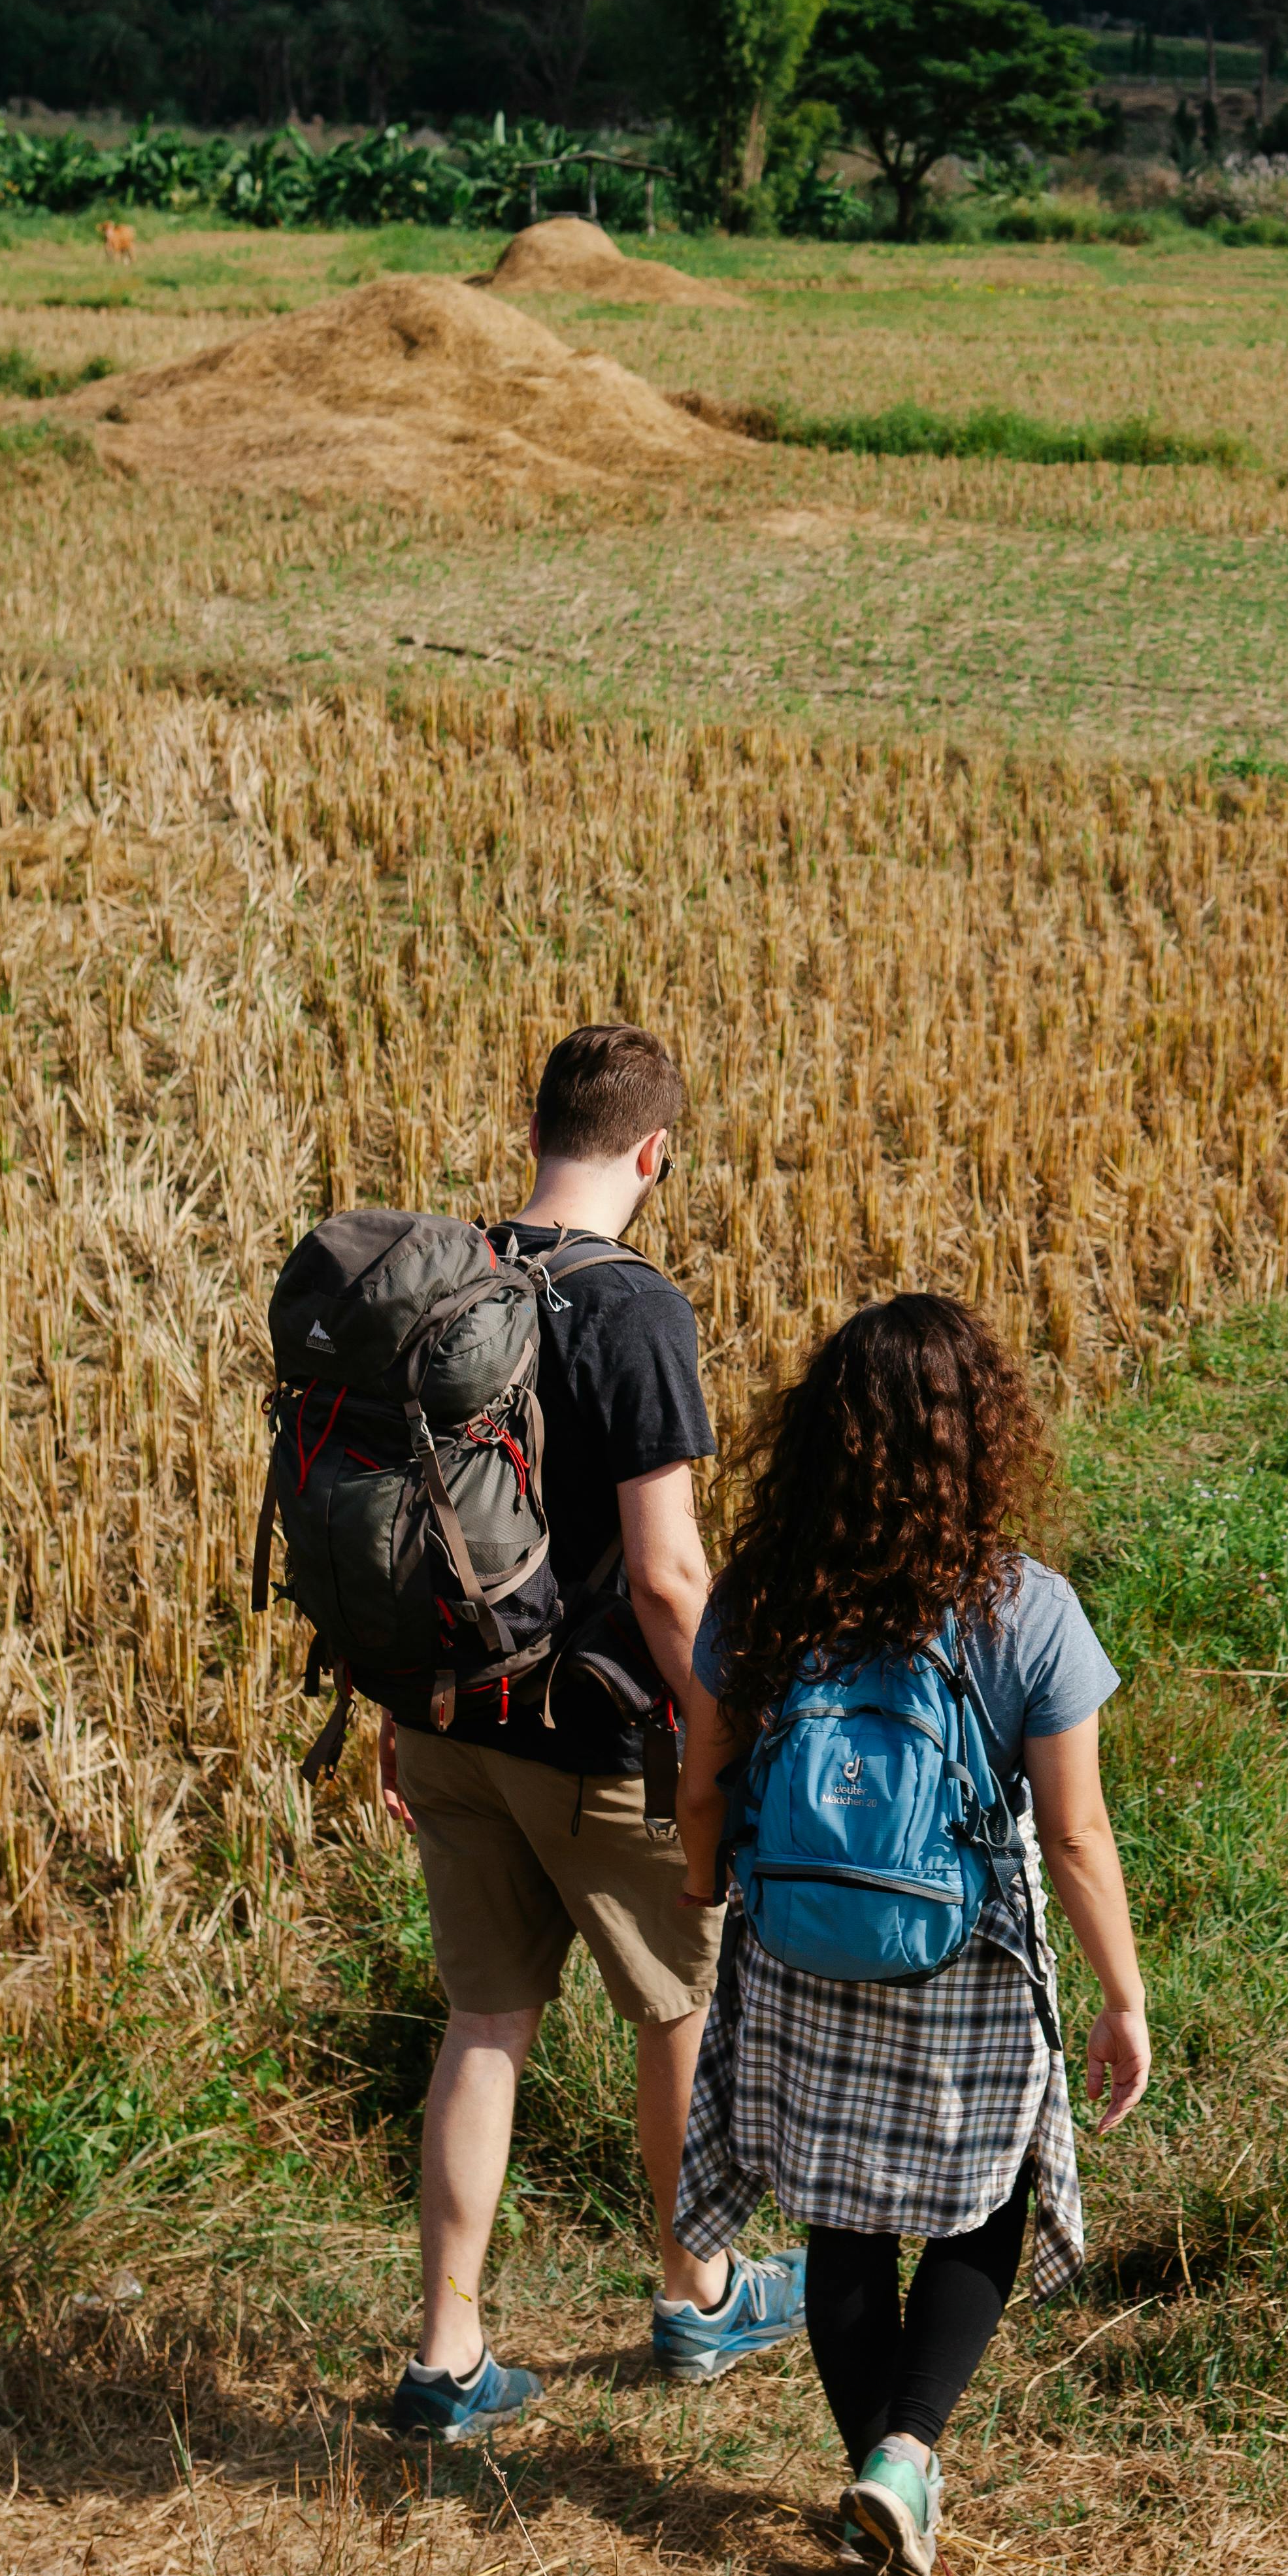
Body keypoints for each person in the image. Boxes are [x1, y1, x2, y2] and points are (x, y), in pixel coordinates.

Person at [674, 1293, 1151, 2576]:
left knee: (841, 2217)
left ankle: (882, 2473)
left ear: (822, 1435)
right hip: (964, 1958)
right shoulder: (1025, 1609)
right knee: (976, 2201)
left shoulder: (763, 1594)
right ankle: (903, 2453)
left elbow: (705, 1782)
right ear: (982, 1439)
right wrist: (1123, 1997)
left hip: (795, 1949)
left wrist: (708, 1888)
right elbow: (1077, 1835)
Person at [378, 1020, 806, 2441]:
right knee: (676, 2009)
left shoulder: (453, 1283)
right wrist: (726, 1736)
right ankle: (697, 2294)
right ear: (655, 1151)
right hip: (597, 1739)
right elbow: (672, 1576)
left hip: (449, 1719)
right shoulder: (637, 1310)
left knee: (485, 2021)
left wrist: (397, 1707)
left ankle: (447, 2355)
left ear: (537, 1129)